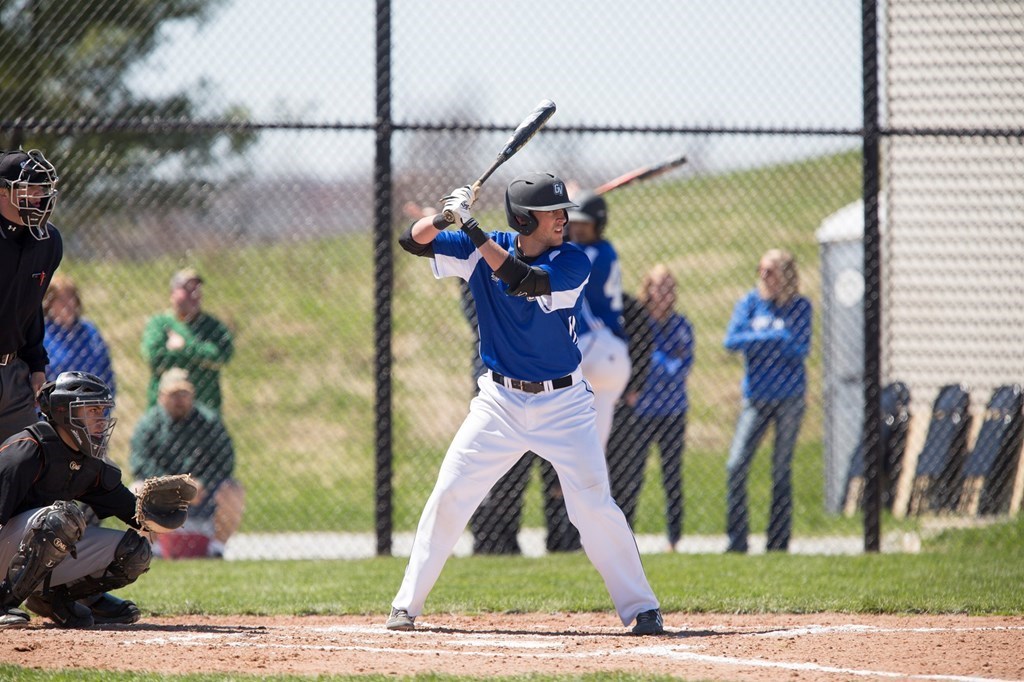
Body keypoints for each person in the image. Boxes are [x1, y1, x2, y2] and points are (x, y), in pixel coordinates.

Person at [387, 171, 664, 636]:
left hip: (566, 404)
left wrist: (471, 228)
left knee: (592, 506)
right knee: (452, 492)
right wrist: (443, 217)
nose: (562, 220)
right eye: (552, 213)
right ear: (522, 218)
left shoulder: (572, 260)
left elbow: (522, 281)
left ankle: (642, 607)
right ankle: (405, 605)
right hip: (498, 402)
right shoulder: (482, 246)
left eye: (563, 212)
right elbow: (411, 242)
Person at [0, 372, 158, 629]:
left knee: (134, 553)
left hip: (23, 555)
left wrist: (165, 513)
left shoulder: (89, 463)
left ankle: (55, 599)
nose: (101, 419)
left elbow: (135, 513)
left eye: (103, 411)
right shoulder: (25, 450)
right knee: (61, 520)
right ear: (64, 412)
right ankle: (2, 602)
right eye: (92, 410)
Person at [723, 249, 812, 553]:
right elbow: (731, 341)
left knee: (780, 470)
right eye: (760, 269)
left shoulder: (801, 307)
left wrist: (761, 340)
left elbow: (800, 349)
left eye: (770, 271)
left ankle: (777, 543)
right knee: (736, 465)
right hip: (756, 398)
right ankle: (737, 541)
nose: (763, 276)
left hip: (789, 399)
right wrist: (774, 338)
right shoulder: (750, 303)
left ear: (787, 274)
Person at [605, 265, 694, 552]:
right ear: (648, 288)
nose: (664, 291)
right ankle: (624, 536)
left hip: (673, 411)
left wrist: (652, 364)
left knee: (672, 476)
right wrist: (659, 364)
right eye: (658, 285)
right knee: (631, 476)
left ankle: (674, 540)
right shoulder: (636, 322)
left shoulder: (682, 325)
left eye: (670, 285)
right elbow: (631, 359)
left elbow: (683, 365)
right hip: (640, 410)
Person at [129, 368, 244, 559]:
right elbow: (140, 464)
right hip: (162, 494)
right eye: (173, 394)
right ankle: (149, 550)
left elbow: (225, 461)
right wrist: (173, 486)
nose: (179, 399)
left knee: (233, 490)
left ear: (193, 395)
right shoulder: (148, 425)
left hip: (203, 494)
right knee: (136, 490)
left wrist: (202, 484)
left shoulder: (209, 421)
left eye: (184, 393)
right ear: (160, 396)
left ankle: (216, 550)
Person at [0, 149, 63, 443]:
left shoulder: (48, 242)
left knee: (23, 468)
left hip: (14, 373)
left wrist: (37, 365)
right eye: (29, 187)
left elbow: (30, 306)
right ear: (2, 193)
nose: (40, 195)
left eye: (44, 187)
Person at [141, 268, 234, 412]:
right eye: (188, 289)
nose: (195, 295)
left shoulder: (212, 326)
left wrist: (184, 347)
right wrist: (200, 358)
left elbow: (220, 356)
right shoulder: (160, 323)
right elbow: (155, 358)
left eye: (197, 290)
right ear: (173, 294)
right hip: (164, 413)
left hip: (205, 410)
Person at [43, 274, 117, 395]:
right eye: (61, 299)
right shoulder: (42, 334)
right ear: (49, 303)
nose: (67, 304)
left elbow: (106, 371)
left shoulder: (89, 331)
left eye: (71, 297)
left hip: (91, 403)